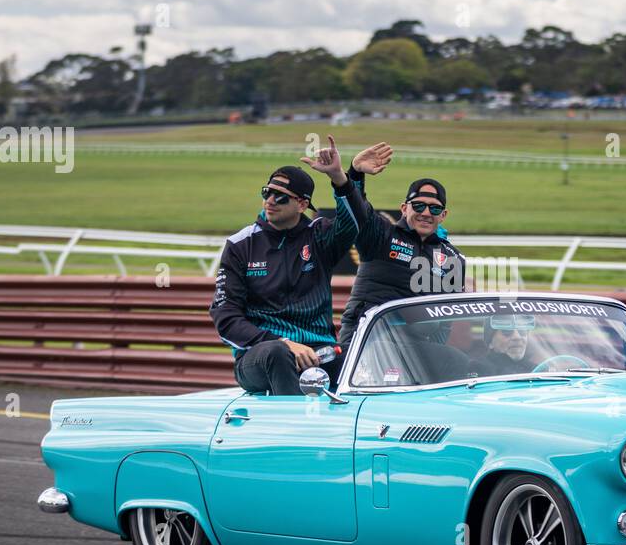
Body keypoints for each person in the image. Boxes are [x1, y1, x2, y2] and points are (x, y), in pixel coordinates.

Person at [209, 136, 386, 395]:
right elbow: (225, 318)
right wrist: (283, 342)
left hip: (320, 352)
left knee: (365, 358)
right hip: (260, 354)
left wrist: (340, 176)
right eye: (267, 192)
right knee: (278, 354)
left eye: (281, 197)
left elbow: (357, 222)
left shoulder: (320, 235)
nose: (270, 200)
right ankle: (292, 431)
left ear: (302, 205)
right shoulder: (240, 244)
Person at [336, 172, 467, 349]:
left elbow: (446, 320)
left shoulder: (453, 258)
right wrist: (355, 174)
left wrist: (433, 355)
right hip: (367, 342)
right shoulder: (382, 234)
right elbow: (357, 209)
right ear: (404, 209)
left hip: (417, 352)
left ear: (443, 215)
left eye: (434, 209)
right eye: (419, 206)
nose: (426, 213)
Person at [468, 314, 537, 376]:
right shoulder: (478, 369)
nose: (517, 337)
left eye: (522, 331)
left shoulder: (538, 371)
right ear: (490, 343)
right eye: (507, 331)